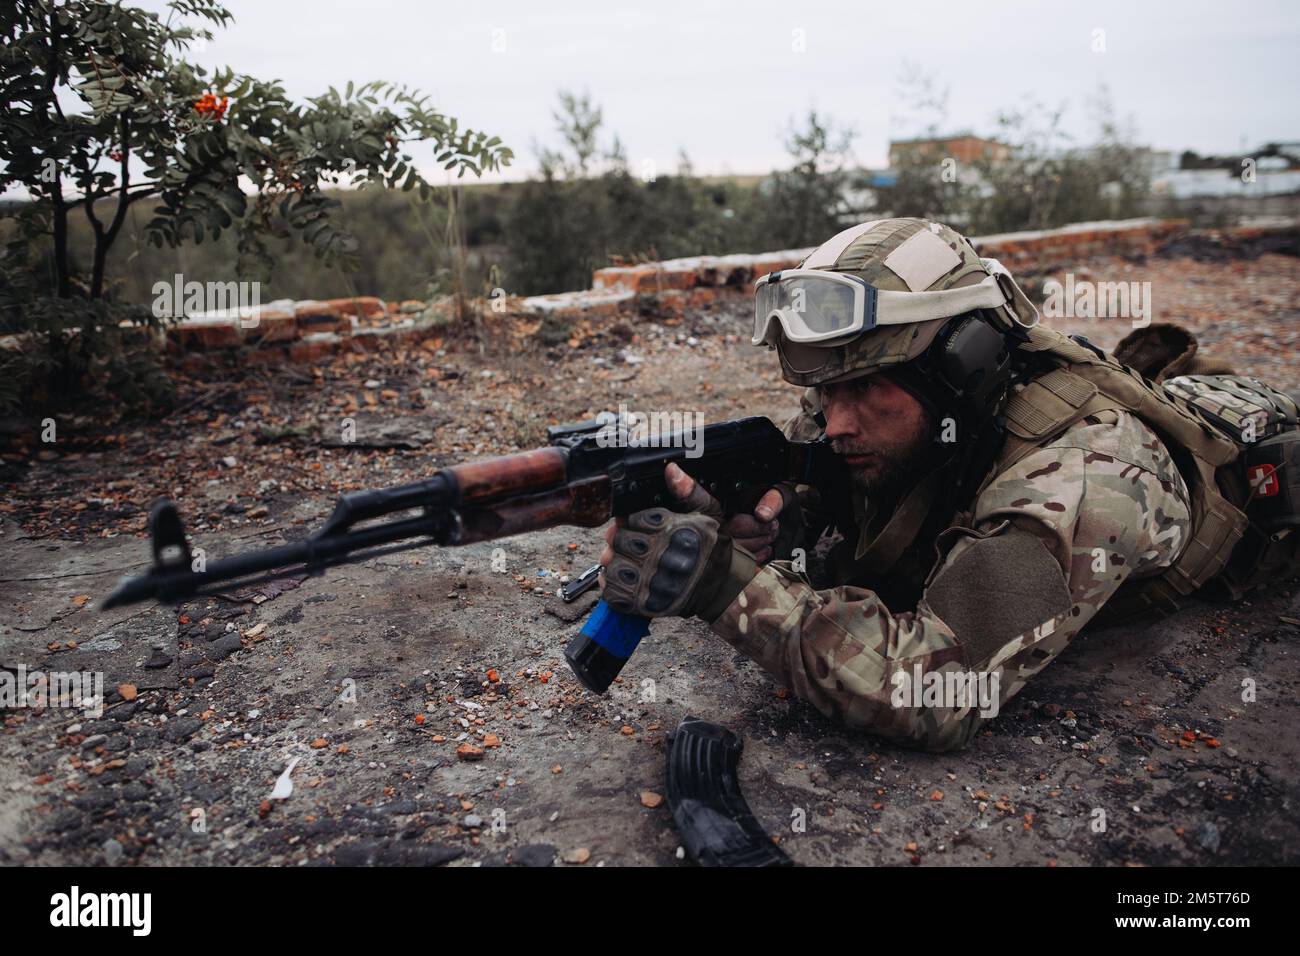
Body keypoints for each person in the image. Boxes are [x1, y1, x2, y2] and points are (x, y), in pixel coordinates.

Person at [598, 217, 1266, 751]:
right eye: (825, 391)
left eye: (864, 389)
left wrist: (725, 584)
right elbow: (827, 496)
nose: (835, 423)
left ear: (960, 366)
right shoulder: (891, 411)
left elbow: (934, 691)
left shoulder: (1084, 477)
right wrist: (761, 524)